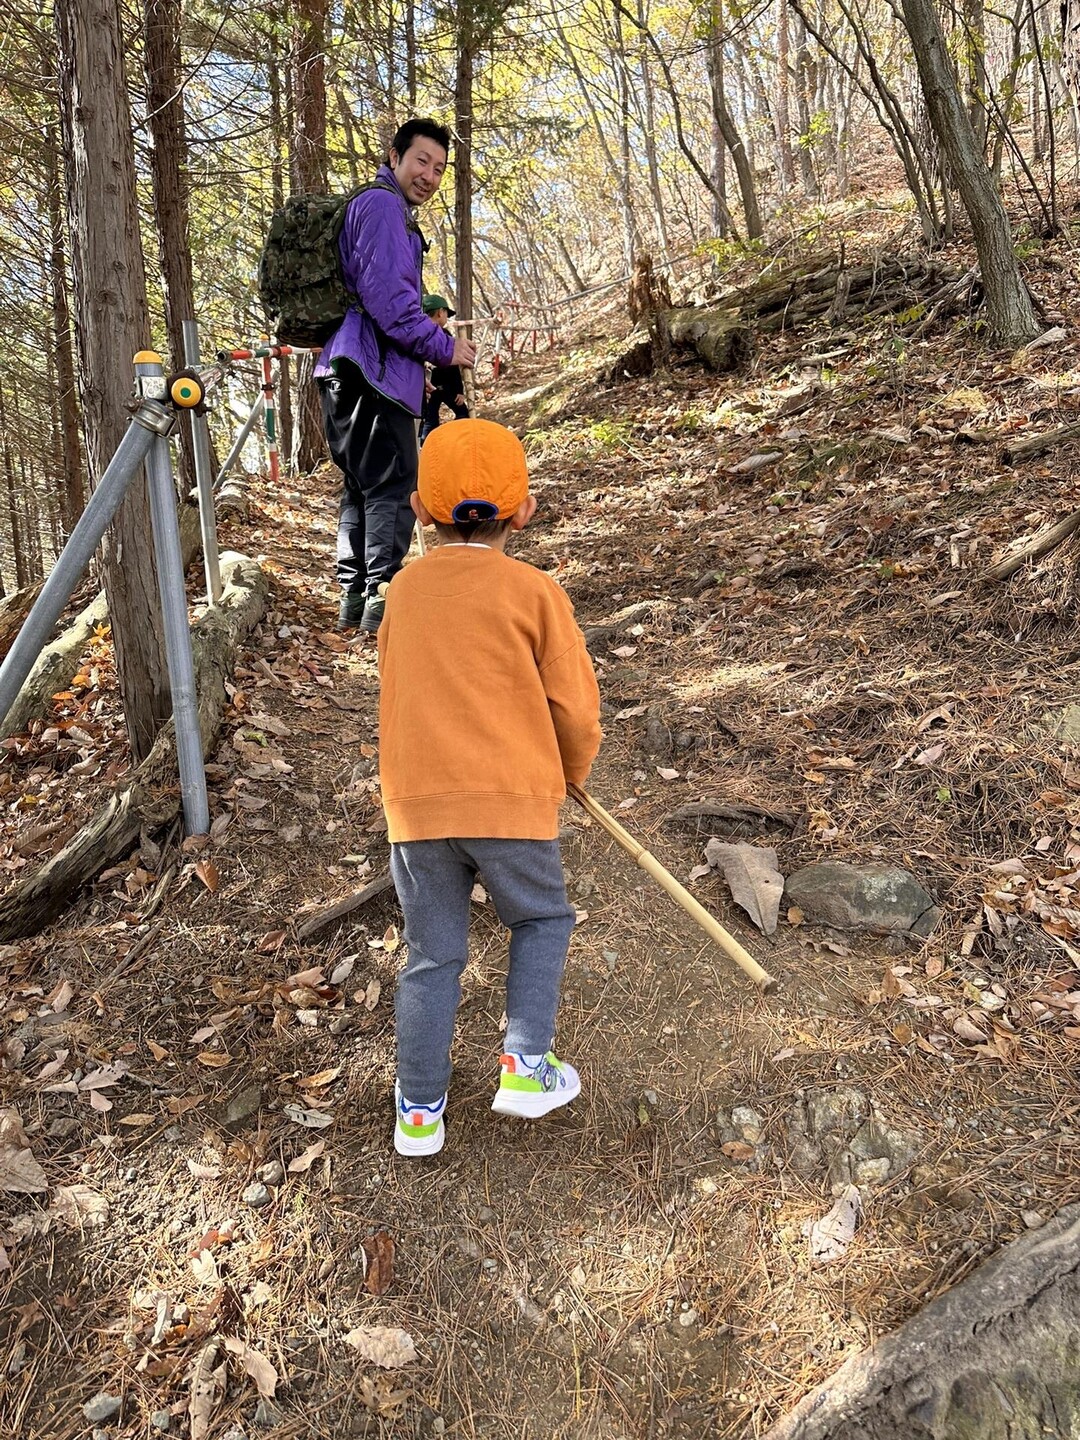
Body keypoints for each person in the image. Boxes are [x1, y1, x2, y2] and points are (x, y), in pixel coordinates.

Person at [376, 418, 602, 1157]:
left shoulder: (403, 592)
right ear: (524, 510)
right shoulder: (536, 592)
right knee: (539, 920)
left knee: (431, 954)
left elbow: (396, 689)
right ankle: (526, 1064)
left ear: (418, 508)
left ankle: (418, 1112)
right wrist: (571, 774)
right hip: (511, 800)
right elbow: (573, 706)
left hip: (417, 808)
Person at [314, 119, 477, 634]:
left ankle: (355, 600)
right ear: (394, 156)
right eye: (421, 161)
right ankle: (381, 599)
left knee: (360, 487)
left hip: (349, 366)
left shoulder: (382, 209)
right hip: (371, 371)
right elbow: (393, 307)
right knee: (391, 484)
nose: (428, 175)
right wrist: (446, 348)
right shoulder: (384, 208)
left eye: (438, 168)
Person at [418, 294, 470, 445]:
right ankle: (451, 442)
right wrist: (459, 390)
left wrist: (459, 391)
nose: (446, 317)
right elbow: (454, 367)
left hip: (434, 388)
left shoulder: (418, 334)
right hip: (437, 388)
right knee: (435, 418)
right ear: (440, 312)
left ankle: (433, 444)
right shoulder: (443, 337)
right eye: (446, 313)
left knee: (433, 419)